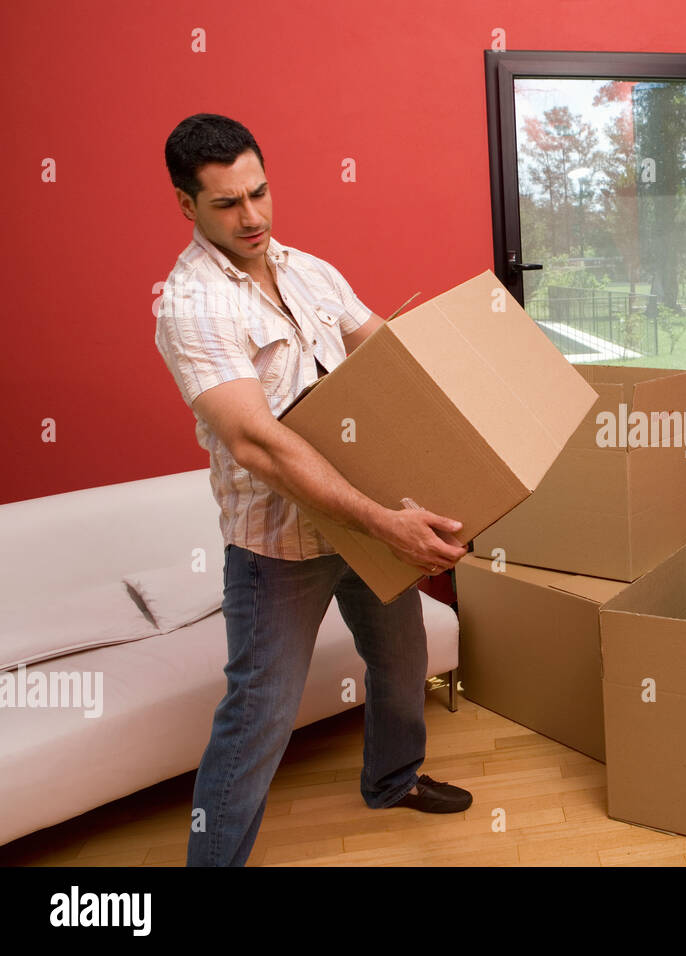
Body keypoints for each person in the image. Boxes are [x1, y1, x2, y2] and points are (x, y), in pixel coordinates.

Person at [155, 113, 474, 867]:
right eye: (228, 204)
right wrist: (382, 522)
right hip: (279, 544)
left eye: (260, 192)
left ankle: (393, 780)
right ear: (187, 205)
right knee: (257, 713)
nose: (253, 216)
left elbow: (387, 358)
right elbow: (257, 443)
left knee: (402, 663)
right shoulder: (190, 304)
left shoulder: (312, 272)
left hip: (367, 521)